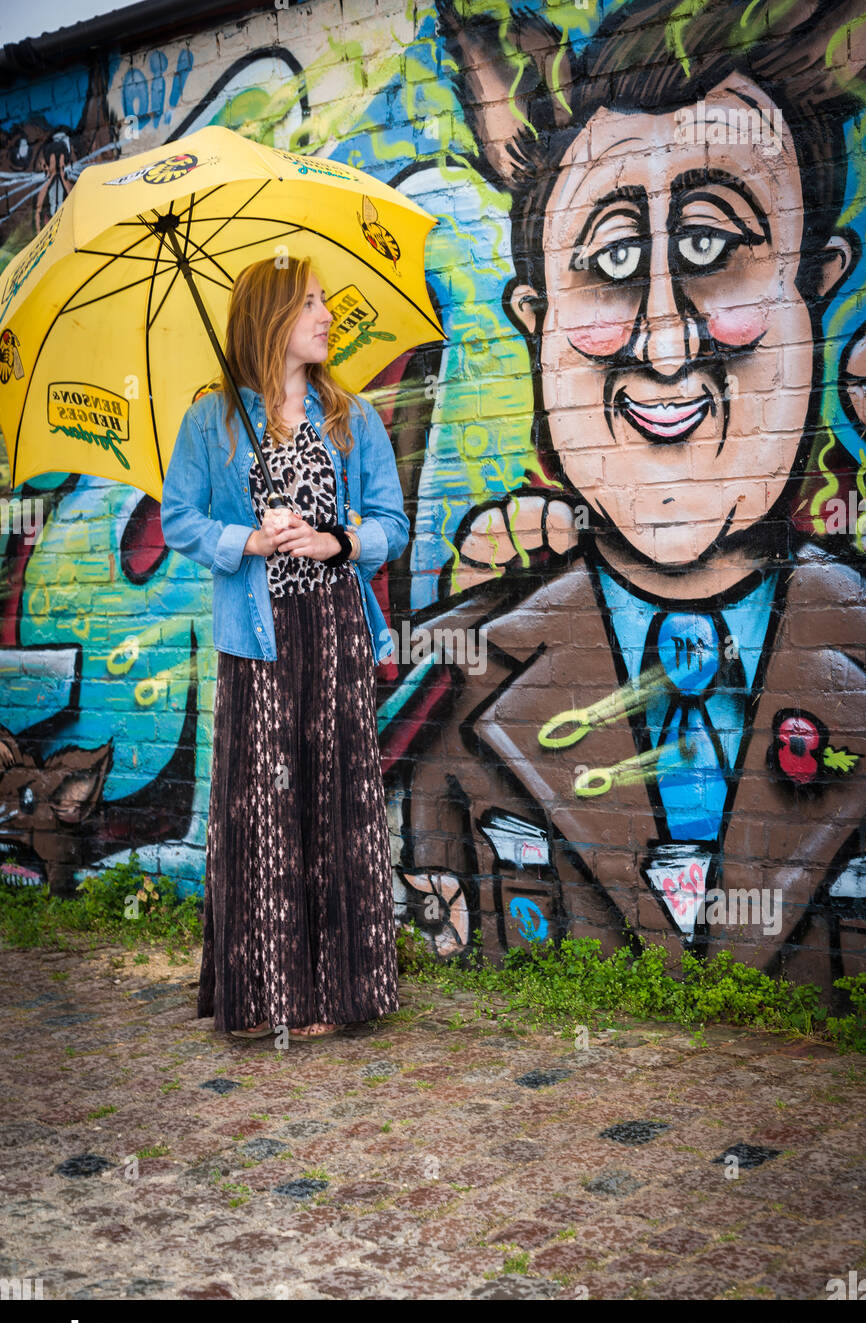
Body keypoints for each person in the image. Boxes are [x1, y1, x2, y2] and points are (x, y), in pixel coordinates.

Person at [397, 0, 866, 1000]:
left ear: (815, 291)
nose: (663, 344)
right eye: (608, 264)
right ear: (535, 322)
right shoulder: (453, 685)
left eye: (710, 249)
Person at [160, 254, 410, 1038]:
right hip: (258, 641)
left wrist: (333, 539)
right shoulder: (214, 423)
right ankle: (273, 997)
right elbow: (179, 521)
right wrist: (250, 541)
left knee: (334, 805)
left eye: (326, 303)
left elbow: (392, 527)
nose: (327, 316)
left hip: (334, 633)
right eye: (310, 304)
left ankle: (340, 996)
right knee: (265, 810)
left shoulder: (352, 419)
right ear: (271, 319)